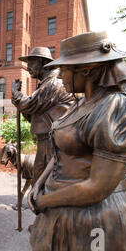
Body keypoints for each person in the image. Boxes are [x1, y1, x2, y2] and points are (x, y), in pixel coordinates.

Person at [27, 31, 126, 251]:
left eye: (64, 69)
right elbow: (61, 152)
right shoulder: (81, 103)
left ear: (86, 70)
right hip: (65, 205)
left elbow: (98, 187)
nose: (60, 75)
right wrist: (40, 184)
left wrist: (43, 201)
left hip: (98, 217)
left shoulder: (116, 107)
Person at [12, 47, 74, 185]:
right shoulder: (46, 83)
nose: (28, 68)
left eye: (31, 63)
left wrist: (15, 93)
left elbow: (29, 104)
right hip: (47, 139)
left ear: (42, 62)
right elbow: (32, 112)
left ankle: (44, 205)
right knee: (39, 176)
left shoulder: (54, 82)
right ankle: (39, 204)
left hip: (54, 140)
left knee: (46, 179)